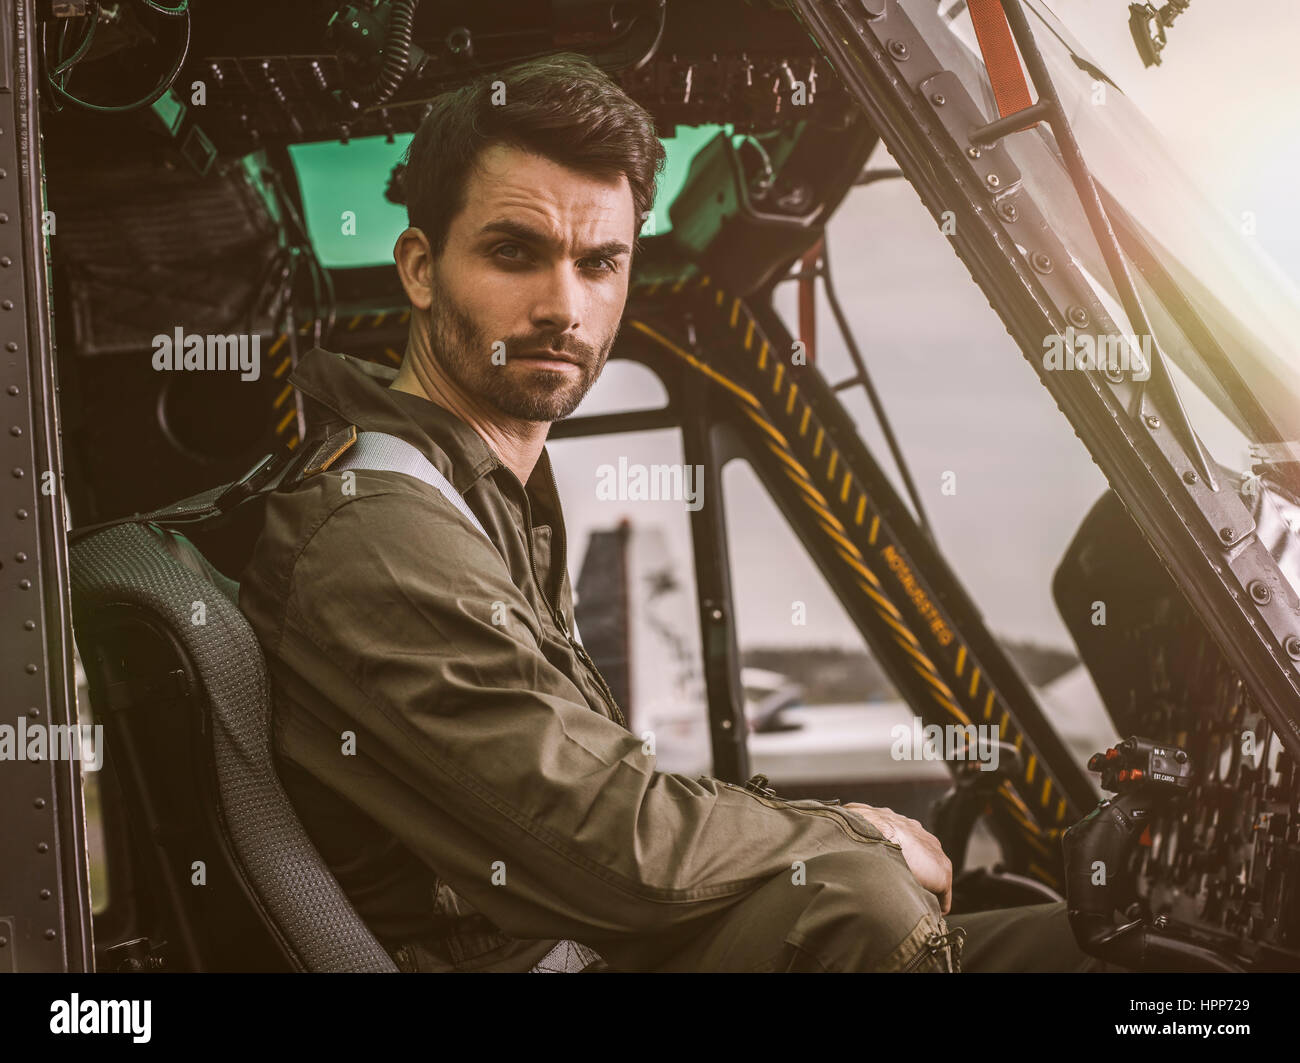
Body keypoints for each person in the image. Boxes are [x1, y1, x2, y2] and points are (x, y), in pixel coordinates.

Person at [238, 52, 1104, 972]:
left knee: (1087, 946)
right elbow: (615, 847)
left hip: (580, 944)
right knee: (859, 905)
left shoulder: (482, 496)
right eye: (513, 253)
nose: (563, 307)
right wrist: (844, 831)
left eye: (599, 262)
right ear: (419, 267)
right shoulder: (380, 531)